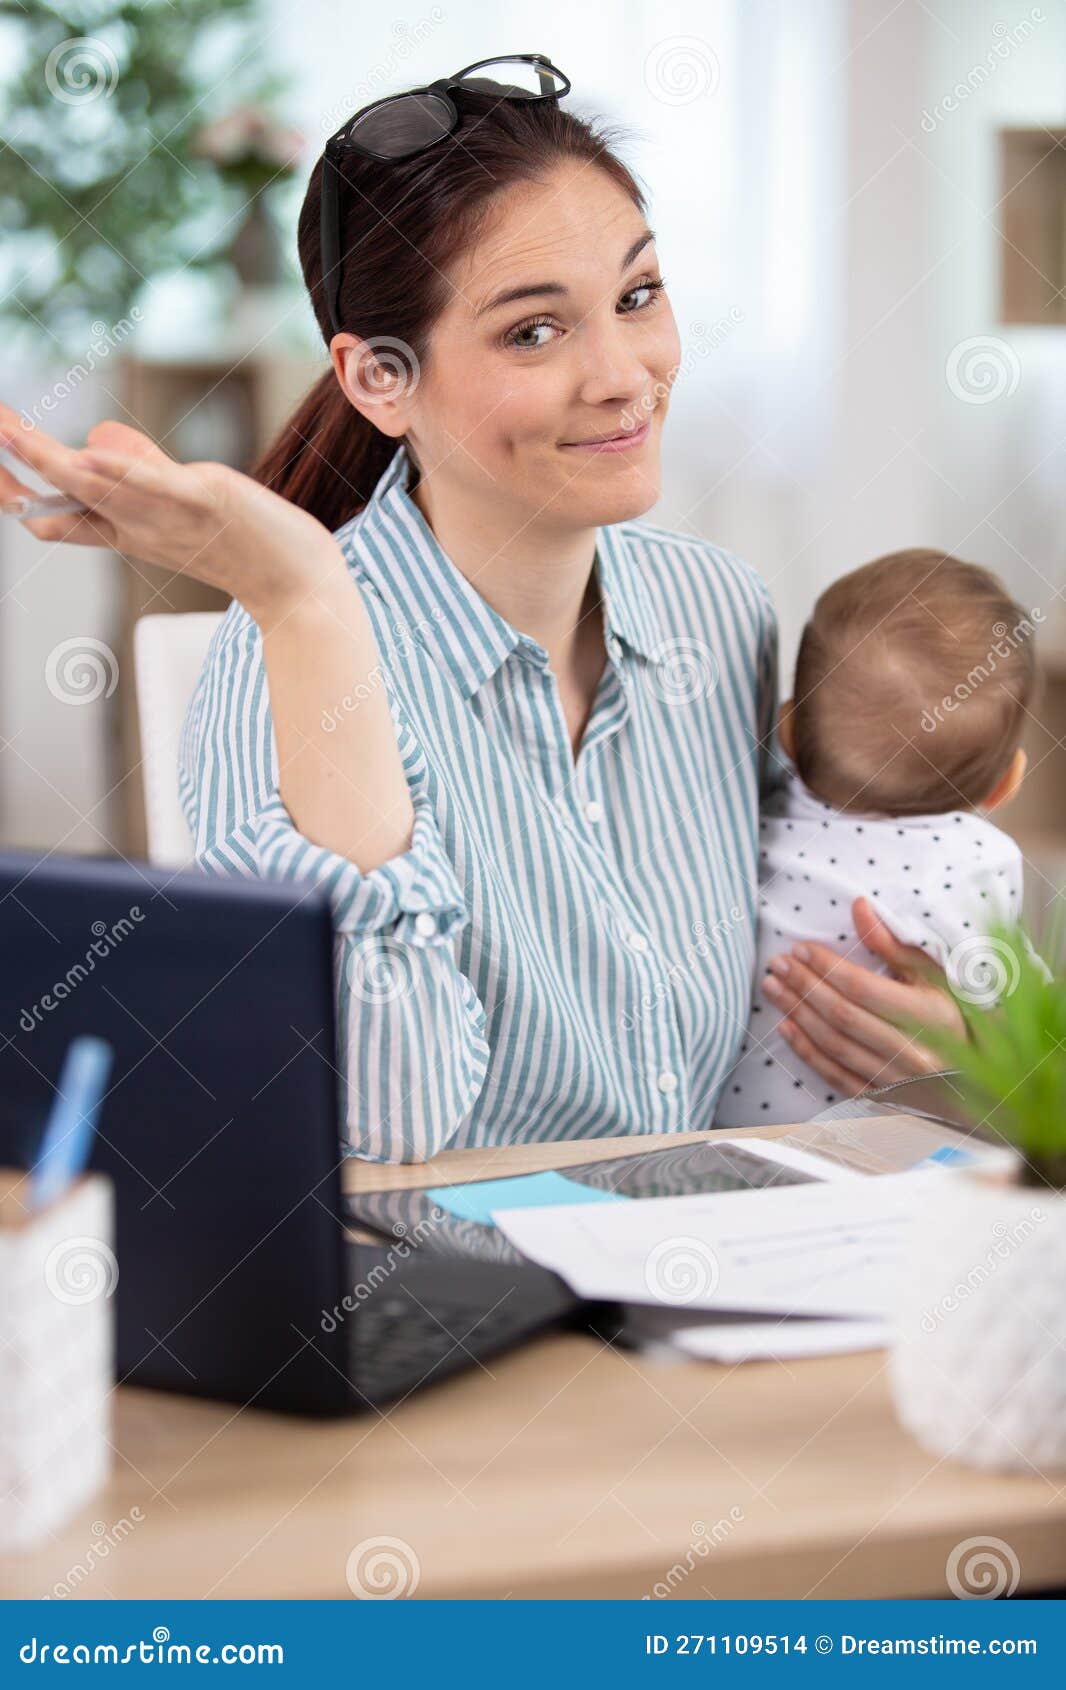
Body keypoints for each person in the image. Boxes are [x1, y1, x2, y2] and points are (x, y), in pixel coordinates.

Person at [0, 59, 964, 1163]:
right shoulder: (281, 664)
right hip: (449, 1265)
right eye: (532, 333)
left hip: (714, 1240)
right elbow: (384, 1122)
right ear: (378, 379)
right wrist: (308, 603)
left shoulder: (716, 609)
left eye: (636, 297)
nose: (624, 375)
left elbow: (799, 938)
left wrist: (935, 1035)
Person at [714, 549, 1037, 1127]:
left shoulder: (751, 825)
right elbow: (1025, 1020)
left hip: (733, 1133)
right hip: (887, 1149)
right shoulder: (972, 862)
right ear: (1006, 782)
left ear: (787, 731)